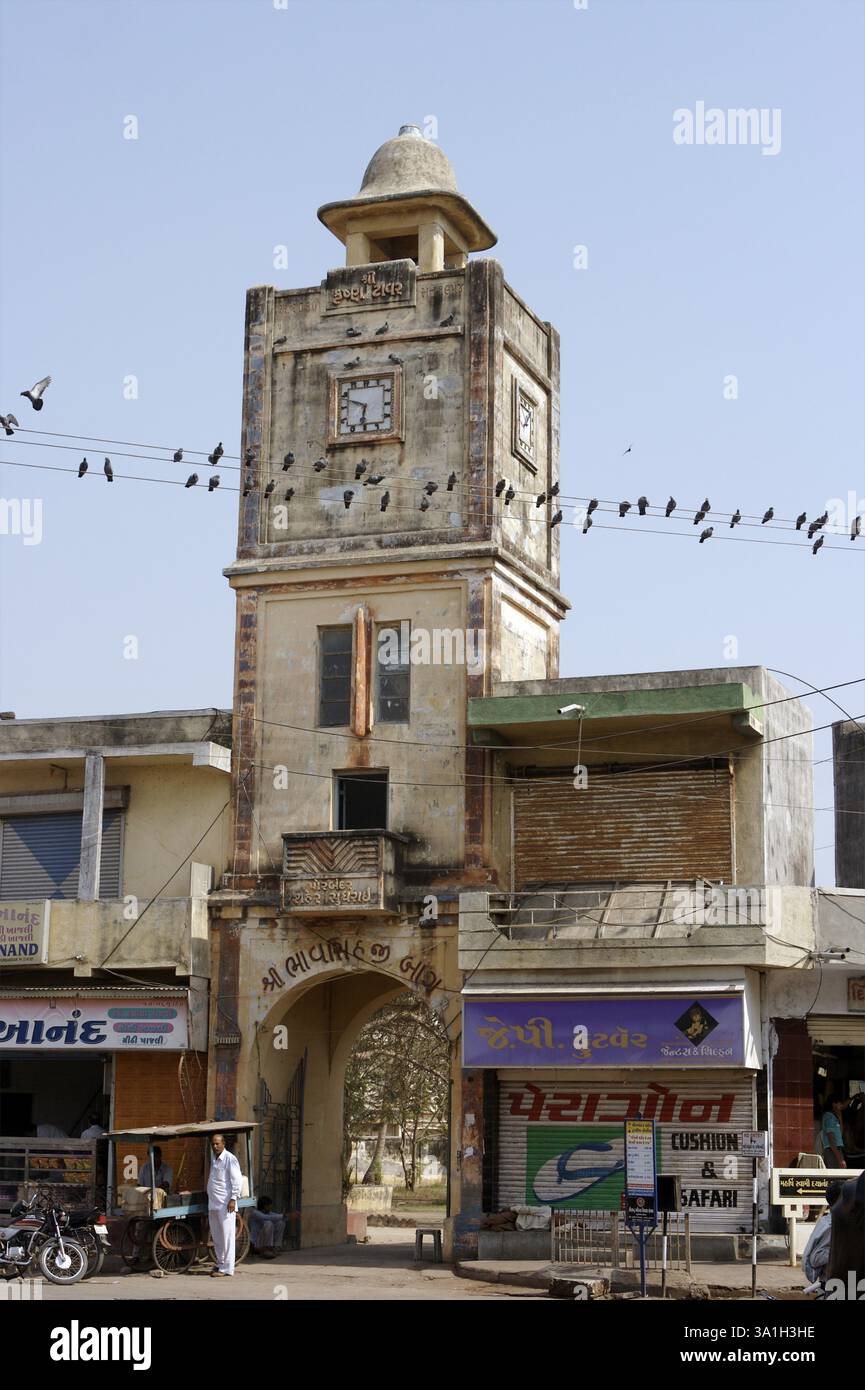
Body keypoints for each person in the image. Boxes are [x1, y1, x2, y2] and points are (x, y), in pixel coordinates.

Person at [207, 1133, 243, 1277]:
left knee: (227, 1236)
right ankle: (220, 1263)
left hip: (226, 1204)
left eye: (217, 1143)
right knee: (217, 1236)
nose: (215, 1146)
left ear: (223, 1144)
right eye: (213, 1144)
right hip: (213, 1203)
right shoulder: (214, 1159)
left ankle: (227, 1269)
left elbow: (237, 1180)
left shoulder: (230, 1159)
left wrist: (233, 1199)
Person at [802, 1181, 842, 1285]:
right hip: (833, 1283)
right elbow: (816, 1258)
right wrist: (842, 1250)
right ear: (840, 1200)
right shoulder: (832, 1224)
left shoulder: (830, 1220)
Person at [819, 1098, 847, 1169]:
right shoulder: (829, 1117)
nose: (841, 1105)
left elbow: (840, 1134)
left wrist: (840, 1117)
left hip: (837, 1149)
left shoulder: (835, 1117)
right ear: (834, 1104)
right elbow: (831, 1138)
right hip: (832, 1150)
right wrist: (840, 1159)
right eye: (839, 1103)